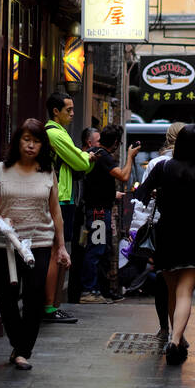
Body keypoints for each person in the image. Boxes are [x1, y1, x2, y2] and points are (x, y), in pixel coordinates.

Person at [0, 118, 68, 370]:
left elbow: (55, 211)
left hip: (38, 242)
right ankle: (19, 344)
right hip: (6, 244)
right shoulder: (1, 169)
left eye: (36, 141)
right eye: (26, 139)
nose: (30, 146)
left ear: (43, 145)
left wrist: (60, 246)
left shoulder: (48, 172)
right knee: (6, 299)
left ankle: (22, 351)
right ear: (18, 141)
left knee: (34, 296)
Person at [133, 124, 195, 366]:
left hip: (166, 233)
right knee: (185, 292)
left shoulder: (162, 167)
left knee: (172, 290)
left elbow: (141, 195)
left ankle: (177, 337)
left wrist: (159, 196)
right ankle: (176, 340)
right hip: (192, 233)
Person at [128, 122, 185, 336]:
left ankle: (165, 327)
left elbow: (143, 202)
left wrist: (136, 229)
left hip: (160, 227)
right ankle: (178, 330)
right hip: (184, 229)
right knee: (181, 281)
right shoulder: (192, 163)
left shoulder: (156, 163)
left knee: (163, 278)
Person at [43, 92, 95, 323]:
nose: (73, 114)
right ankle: (49, 308)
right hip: (59, 199)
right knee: (57, 252)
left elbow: (80, 163)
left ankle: (54, 306)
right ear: (56, 111)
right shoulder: (54, 133)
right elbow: (80, 162)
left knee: (60, 253)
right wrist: (86, 158)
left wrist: (84, 159)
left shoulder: (60, 133)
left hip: (64, 197)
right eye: (69, 110)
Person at [80, 125, 140, 303]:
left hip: (99, 208)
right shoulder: (103, 155)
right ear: (115, 143)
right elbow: (123, 176)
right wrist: (130, 157)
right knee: (96, 249)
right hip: (98, 211)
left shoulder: (97, 153)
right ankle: (88, 291)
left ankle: (96, 290)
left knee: (100, 249)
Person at [68, 127, 100, 304]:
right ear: (89, 143)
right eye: (98, 141)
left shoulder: (90, 160)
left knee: (83, 251)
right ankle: (86, 290)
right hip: (84, 213)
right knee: (90, 250)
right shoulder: (81, 159)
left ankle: (81, 291)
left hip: (82, 213)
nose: (100, 145)